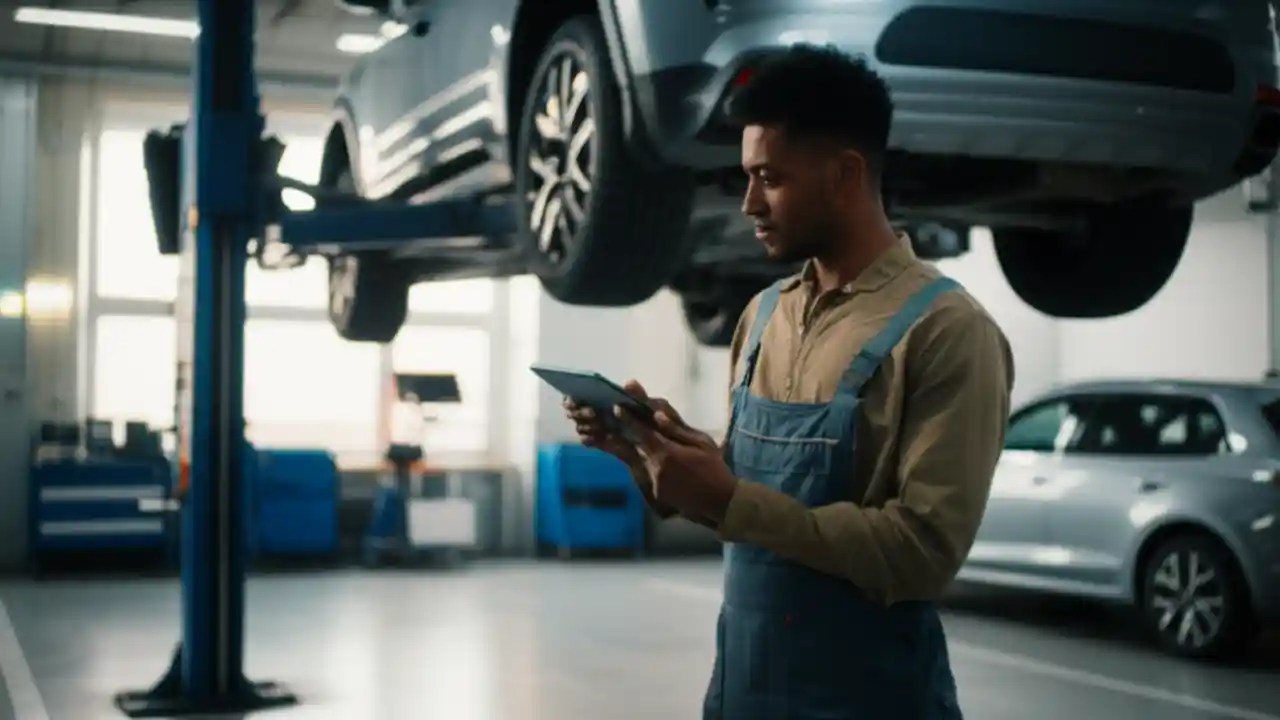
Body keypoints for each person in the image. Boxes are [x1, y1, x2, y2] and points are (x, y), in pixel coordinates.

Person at [565, 44, 1014, 720]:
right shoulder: (764, 315)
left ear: (845, 176)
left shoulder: (948, 331)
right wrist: (649, 454)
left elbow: (922, 554)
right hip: (744, 695)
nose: (749, 203)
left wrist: (732, 498)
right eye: (747, 177)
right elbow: (748, 502)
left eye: (769, 178)